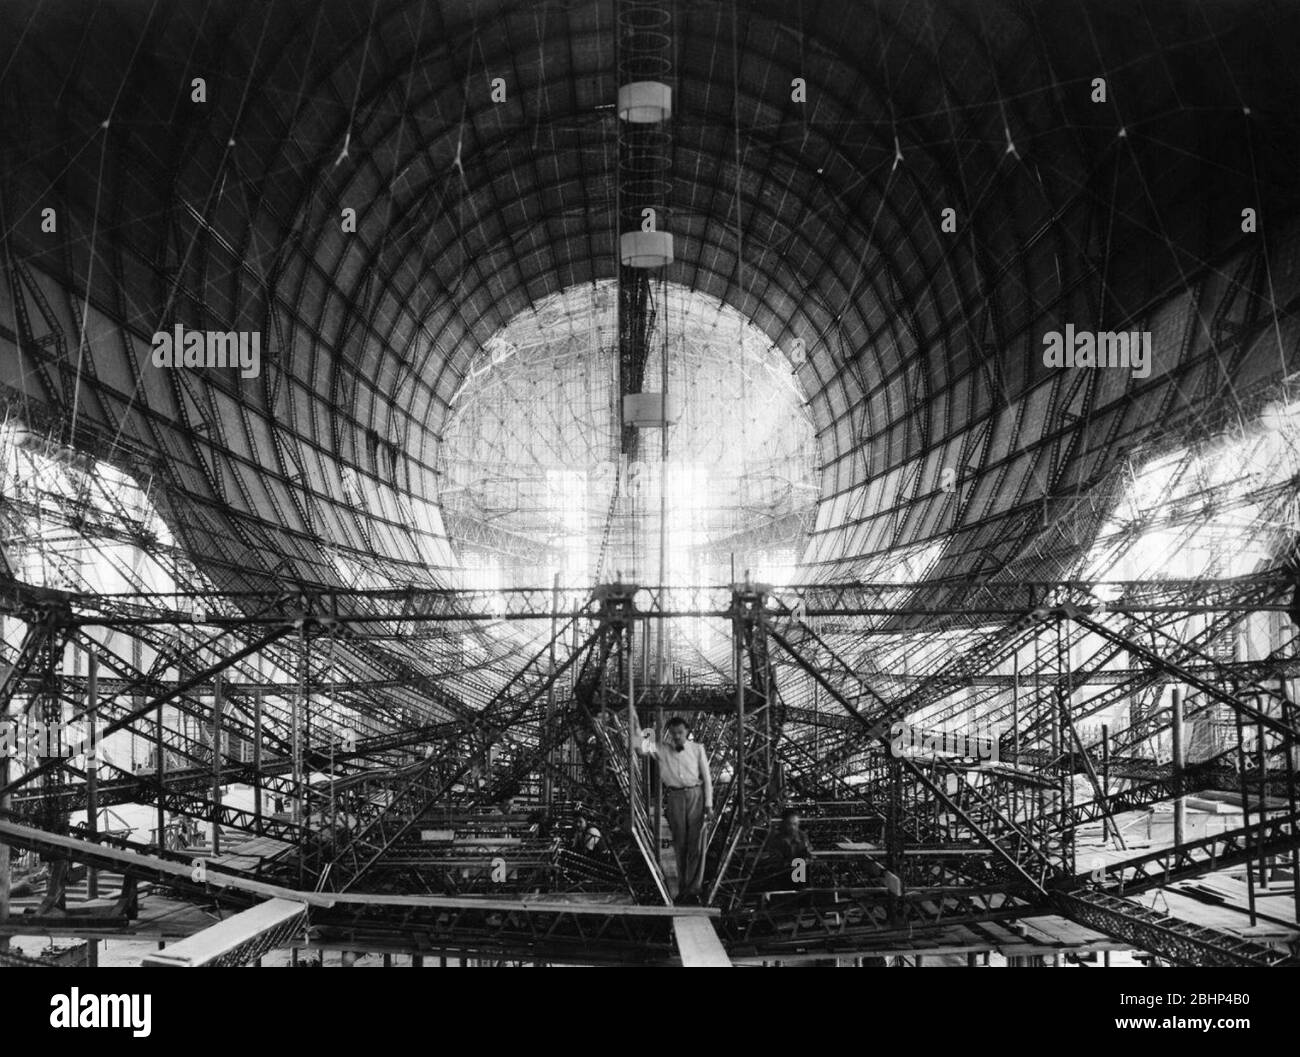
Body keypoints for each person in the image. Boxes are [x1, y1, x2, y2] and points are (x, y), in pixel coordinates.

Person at [637, 716, 712, 904]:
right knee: (680, 843)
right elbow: (641, 749)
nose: (677, 736)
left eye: (680, 733)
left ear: (687, 732)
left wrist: (709, 805)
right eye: (673, 733)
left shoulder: (697, 749)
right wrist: (642, 724)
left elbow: (707, 779)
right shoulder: (663, 749)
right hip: (675, 797)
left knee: (696, 843)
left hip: (696, 794)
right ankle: (682, 888)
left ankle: (694, 889)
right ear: (669, 733)